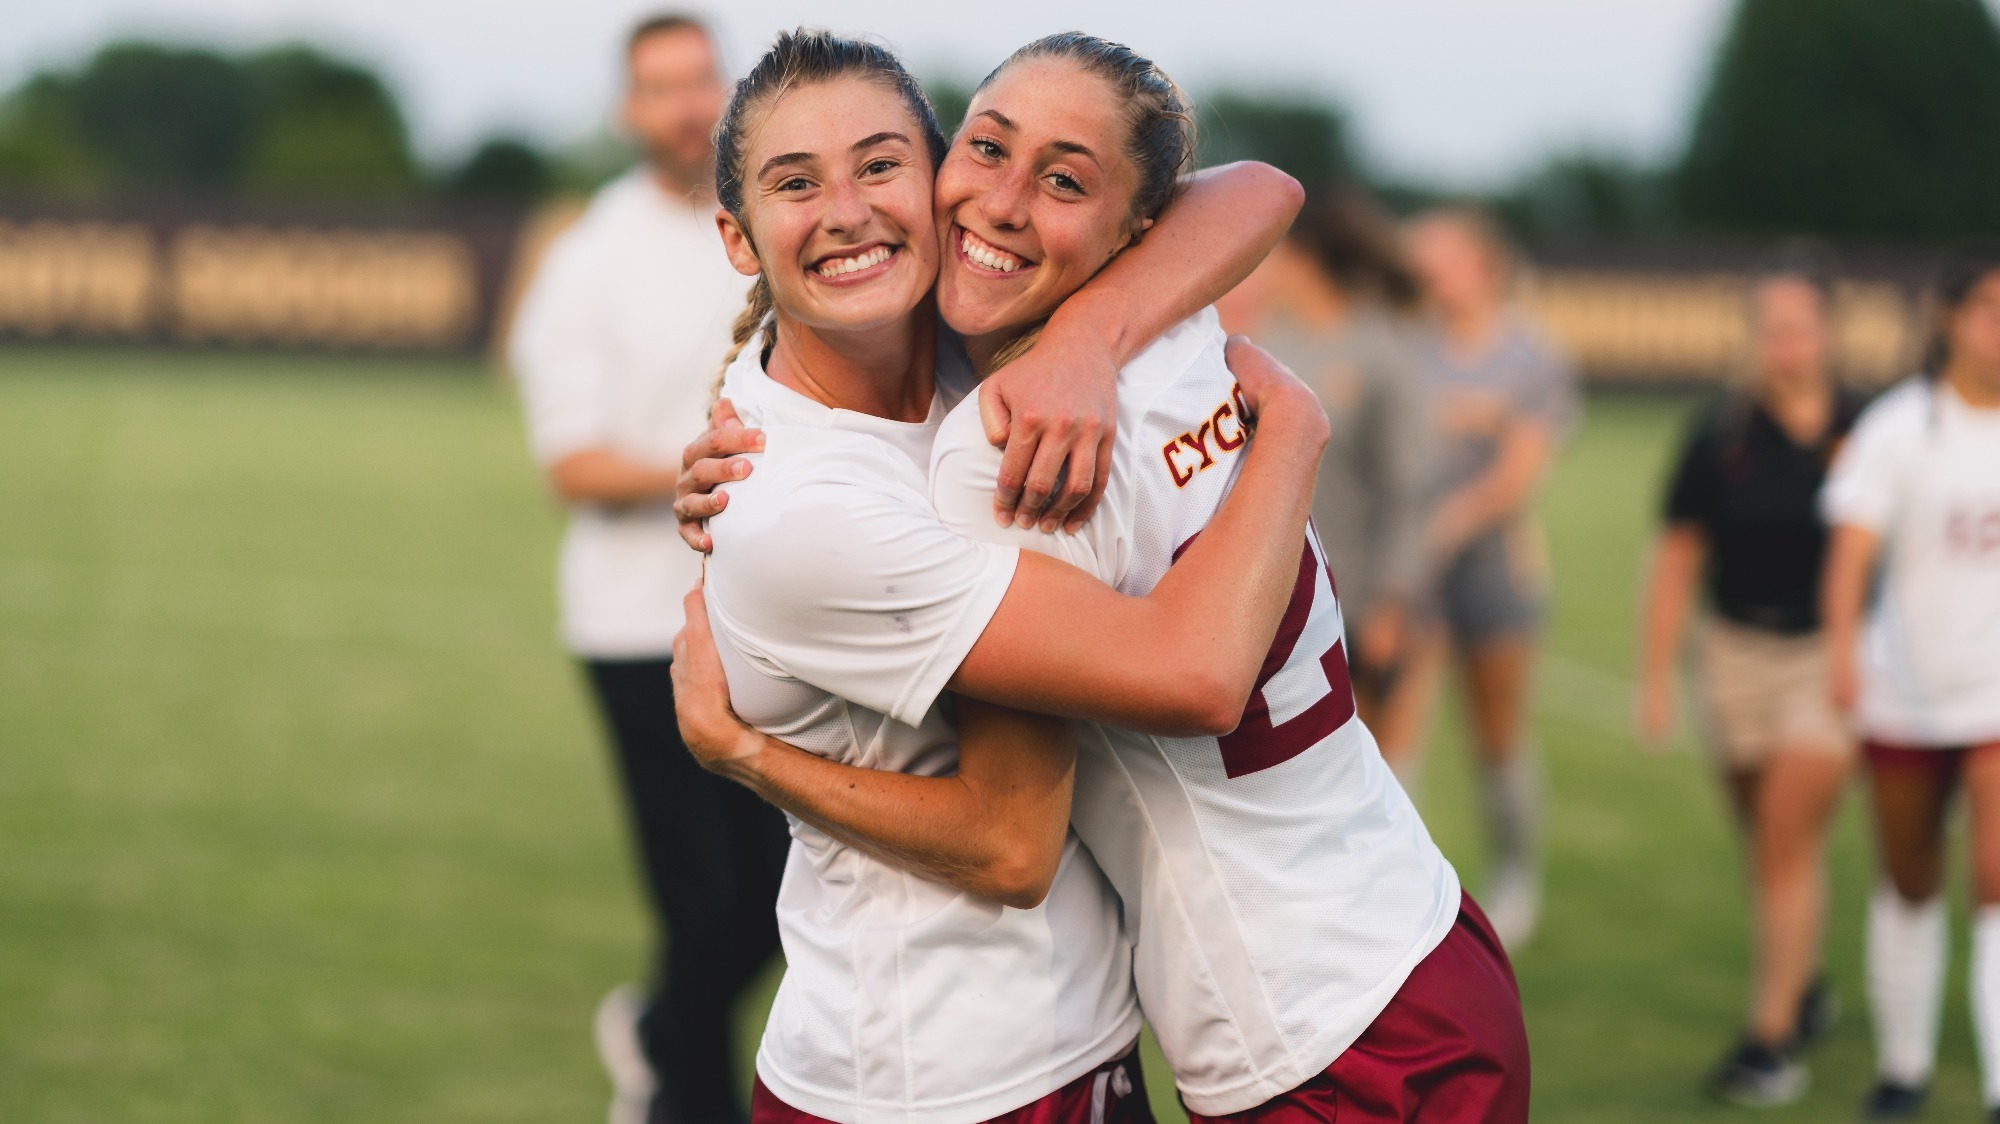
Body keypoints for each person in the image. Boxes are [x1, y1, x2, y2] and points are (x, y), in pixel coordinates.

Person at [677, 32, 1528, 1124]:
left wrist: (745, 753)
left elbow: (1256, 187)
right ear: (737, 235)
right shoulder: (1140, 338)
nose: (848, 208)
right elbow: (1258, 189)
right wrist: (1151, 353)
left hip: (1310, 1020)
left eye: (881, 163)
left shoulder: (1002, 415)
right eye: (990, 152)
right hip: (973, 1059)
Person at [506, 16, 780, 1124]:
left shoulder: (768, 222)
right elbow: (569, 460)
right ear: (627, 111)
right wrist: (710, 465)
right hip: (636, 624)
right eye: (657, 87)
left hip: (769, 613)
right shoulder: (587, 261)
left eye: (698, 79)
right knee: (708, 899)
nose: (682, 105)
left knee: (768, 895)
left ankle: (663, 1039)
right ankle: (680, 1073)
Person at [1635, 247, 1863, 1105]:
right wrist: (1655, 681)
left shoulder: (1865, 428)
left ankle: (1768, 1043)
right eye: (1769, 330)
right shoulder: (1722, 435)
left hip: (1827, 661)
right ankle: (1802, 983)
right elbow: (1675, 557)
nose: (1783, 345)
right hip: (1733, 657)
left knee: (1784, 839)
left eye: (1798, 329)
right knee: (1764, 843)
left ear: (1829, 333)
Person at [1822, 246, 2000, 1122]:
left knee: (1997, 873)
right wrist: (1843, 652)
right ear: (1951, 318)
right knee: (1910, 878)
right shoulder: (1900, 427)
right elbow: (1852, 549)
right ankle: (1903, 1067)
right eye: (1989, 308)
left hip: (1995, 696)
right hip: (1906, 688)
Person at [1401, 207, 1581, 950]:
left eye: (1435, 258)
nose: (1420, 271)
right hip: (1406, 574)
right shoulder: (1403, 345)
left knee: (1498, 736)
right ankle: (1400, 892)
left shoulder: (1529, 357)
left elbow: (1520, 470)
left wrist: (1444, 525)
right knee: (1394, 738)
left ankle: (1515, 874)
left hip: (1493, 566)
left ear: (1480, 266)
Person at [1217, 185, 1432, 753]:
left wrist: (1395, 600)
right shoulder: (1263, 344)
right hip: (1277, 598)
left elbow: (1406, 491)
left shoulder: (1383, 352)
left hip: (1361, 599)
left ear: (1307, 257)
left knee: (1375, 769)